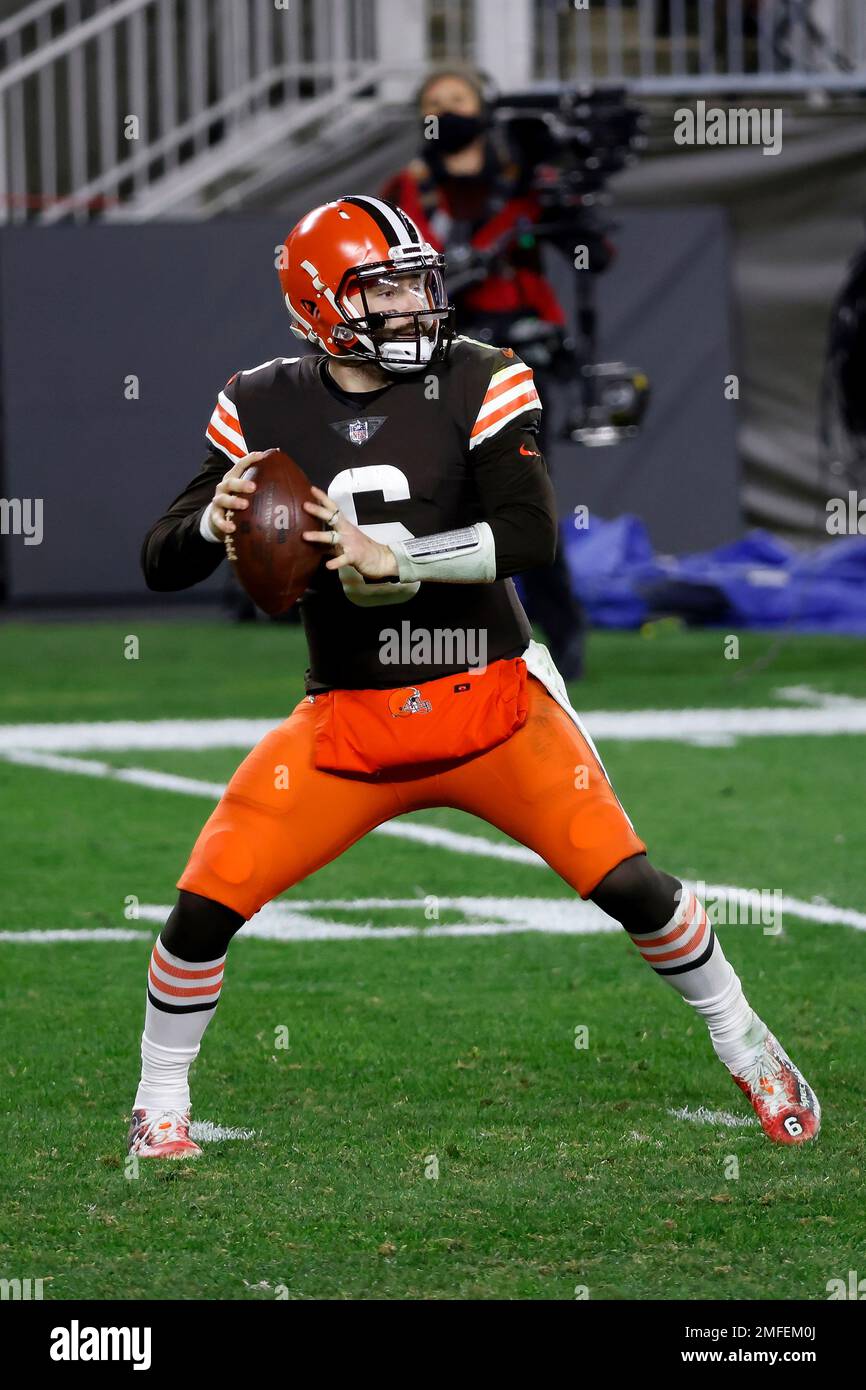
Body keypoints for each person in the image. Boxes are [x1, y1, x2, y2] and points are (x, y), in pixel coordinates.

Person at [129, 194, 819, 1159]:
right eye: (386, 290)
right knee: (204, 905)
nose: (416, 305)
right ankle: (160, 1102)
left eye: (418, 283)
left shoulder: (480, 377)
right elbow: (161, 555)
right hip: (351, 726)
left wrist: (400, 559)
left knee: (632, 887)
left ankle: (746, 1041)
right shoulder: (260, 401)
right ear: (321, 305)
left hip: (492, 704)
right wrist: (217, 517)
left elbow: (530, 534)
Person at [382, 67, 589, 679]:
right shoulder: (408, 191)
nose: (446, 111)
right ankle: (447, 638)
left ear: (484, 107)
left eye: (458, 100)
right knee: (440, 499)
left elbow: (594, 251)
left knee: (526, 498)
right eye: (433, 103)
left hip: (514, 365)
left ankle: (564, 633)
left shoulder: (522, 185)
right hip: (437, 367)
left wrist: (561, 204)